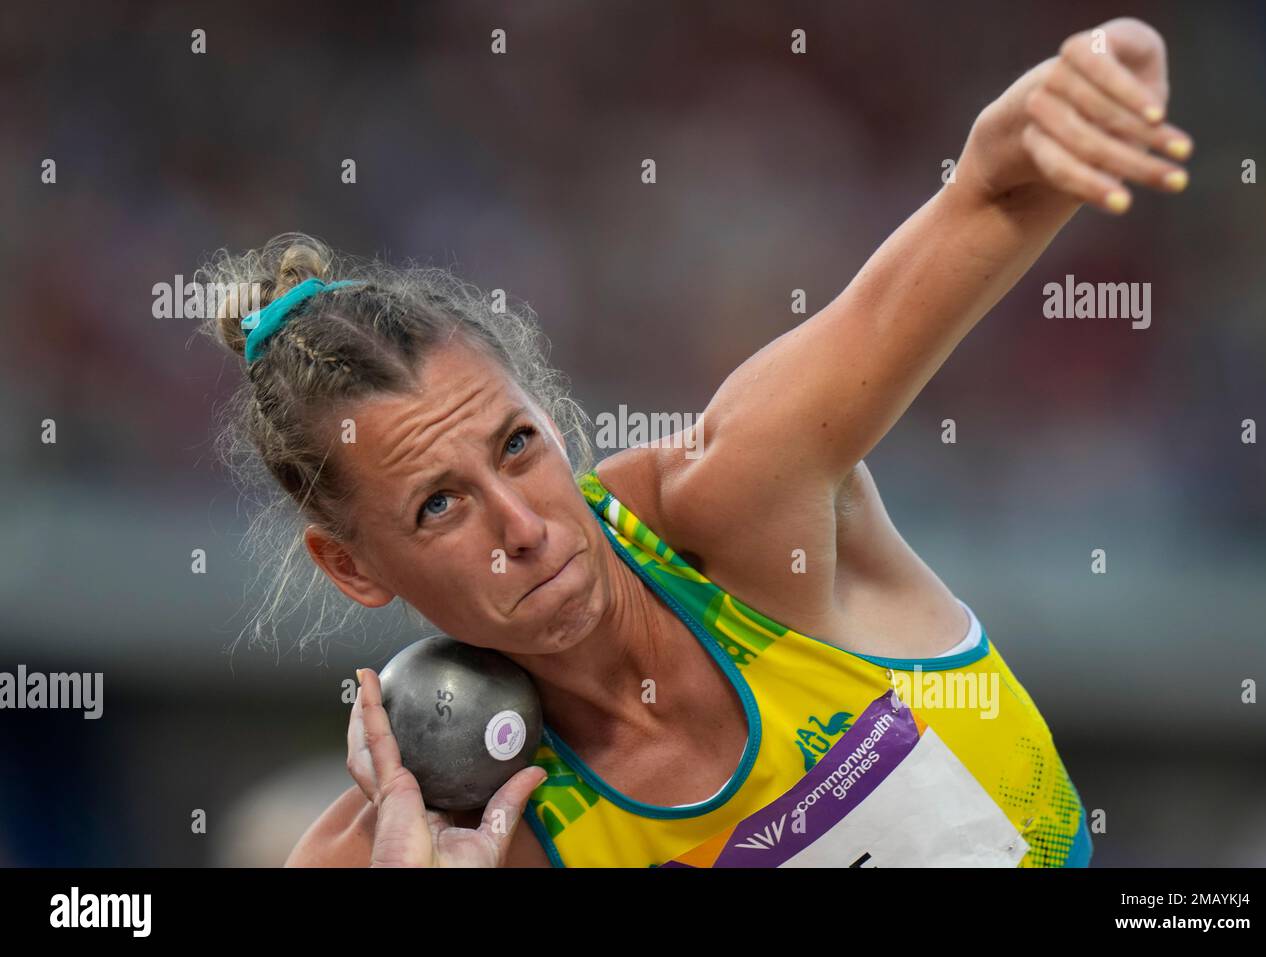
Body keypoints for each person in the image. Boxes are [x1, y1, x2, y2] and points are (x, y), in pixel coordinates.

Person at [201, 17, 1191, 867]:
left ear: (553, 417)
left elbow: (993, 186)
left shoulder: (745, 499)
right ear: (351, 565)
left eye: (517, 447)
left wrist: (1109, 65)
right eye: (438, 505)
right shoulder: (446, 832)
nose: (525, 526)